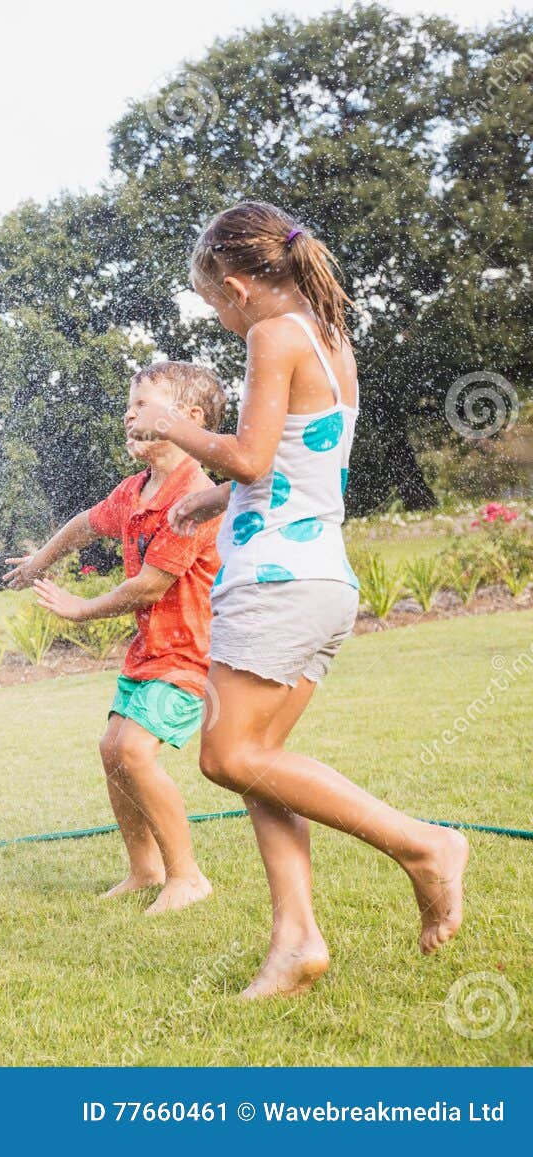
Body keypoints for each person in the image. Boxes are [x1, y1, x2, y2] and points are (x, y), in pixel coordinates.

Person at [127, 201, 467, 998]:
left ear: (239, 285)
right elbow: (292, 460)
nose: (219, 316)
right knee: (260, 768)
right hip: (316, 575)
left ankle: (423, 845)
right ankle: (296, 941)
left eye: (215, 302)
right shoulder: (327, 336)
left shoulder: (271, 335)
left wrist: (174, 423)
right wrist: (211, 502)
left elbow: (249, 456)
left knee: (227, 756)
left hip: (277, 582)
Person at [5, 361, 227, 916]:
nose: (128, 414)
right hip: (148, 652)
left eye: (143, 404)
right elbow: (85, 524)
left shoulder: (194, 496)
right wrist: (39, 560)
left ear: (189, 419)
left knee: (132, 749)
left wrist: (81, 610)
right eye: (128, 404)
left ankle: (188, 876)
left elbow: (151, 585)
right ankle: (145, 868)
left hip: (189, 653)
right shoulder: (135, 490)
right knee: (112, 751)